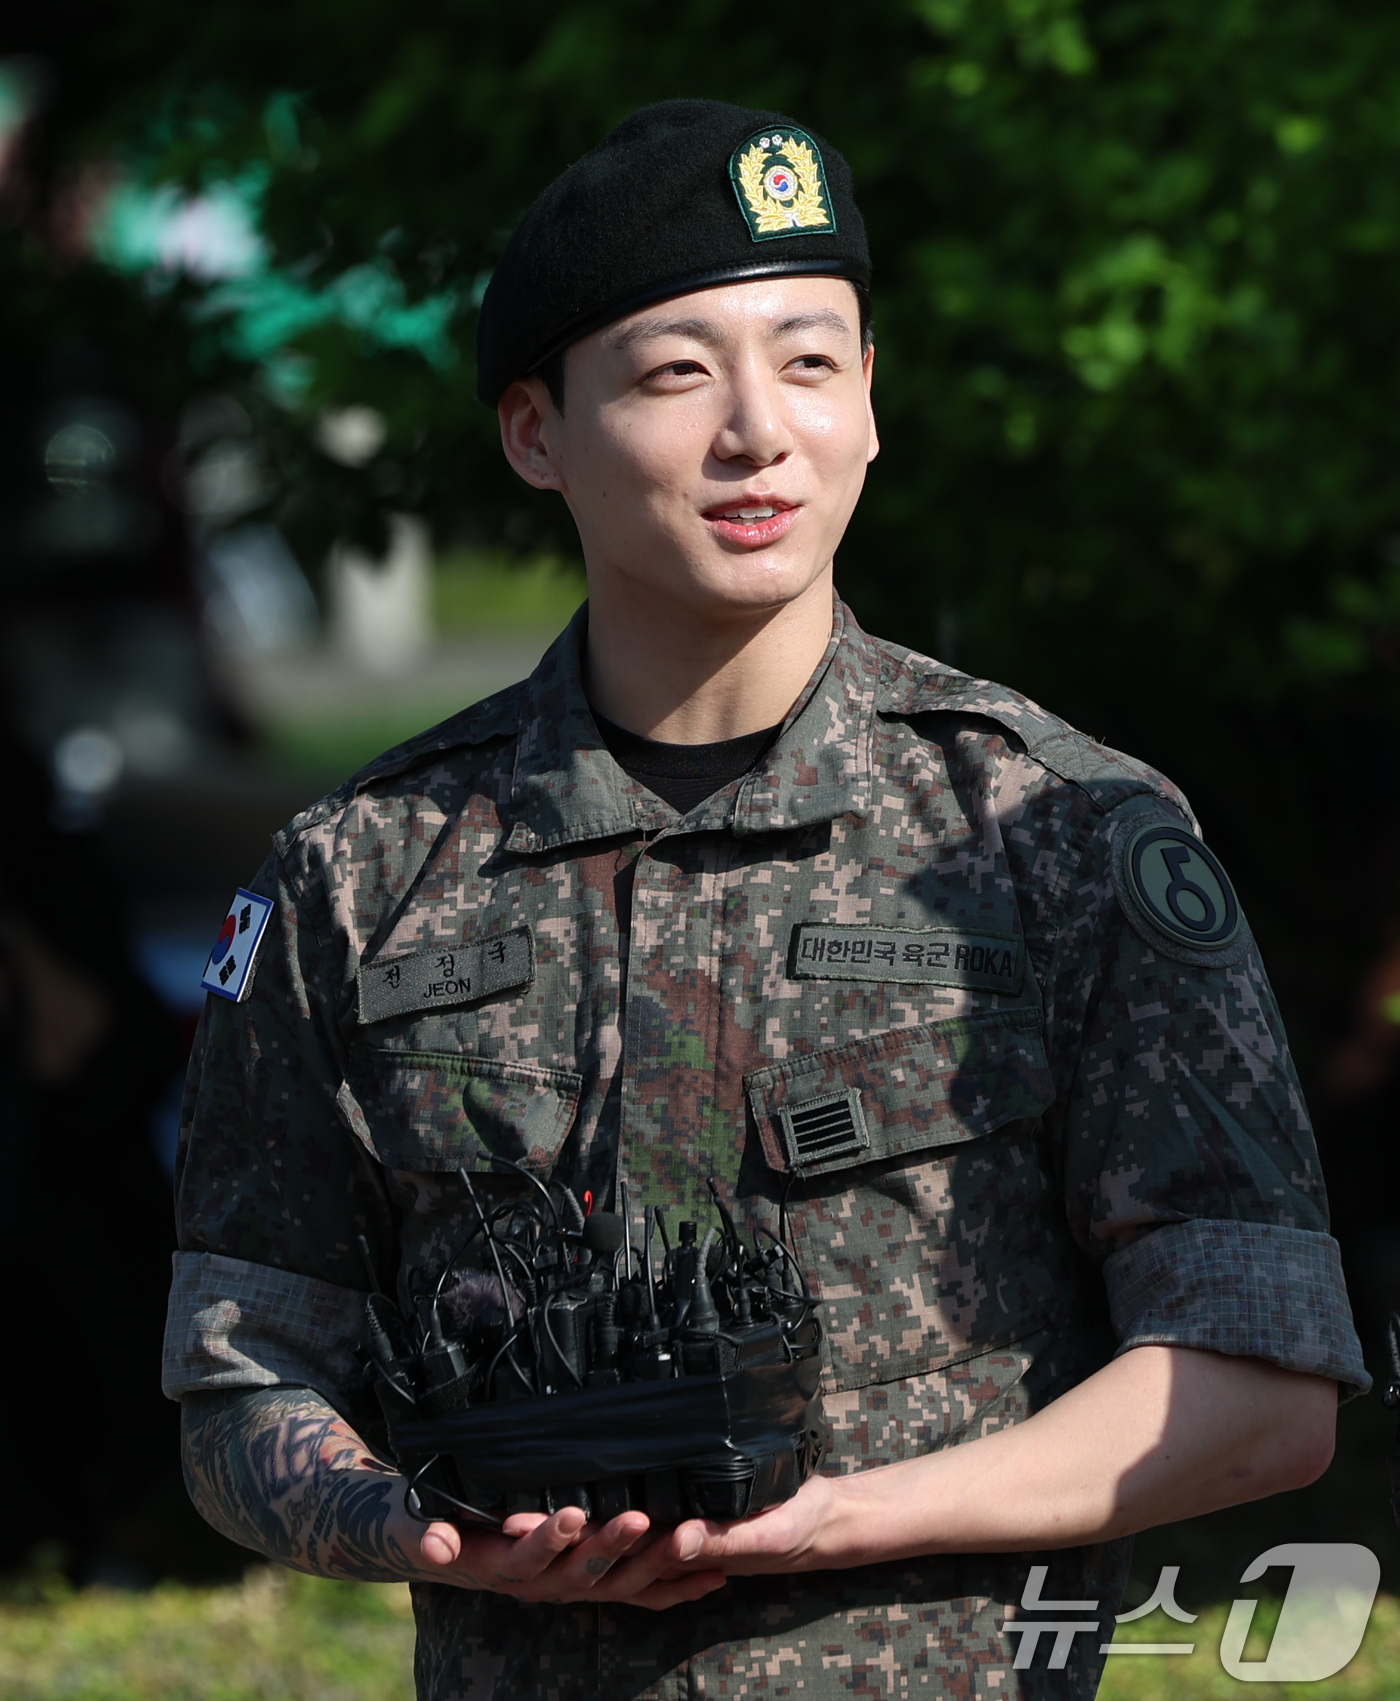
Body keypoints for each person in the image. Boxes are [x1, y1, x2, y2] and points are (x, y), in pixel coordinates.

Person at [165, 100, 1366, 1699]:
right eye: (677, 374)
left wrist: (834, 1521)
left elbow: (1260, 1390)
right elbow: (244, 1383)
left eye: (810, 362)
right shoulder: (361, 874)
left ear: (870, 402)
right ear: (535, 433)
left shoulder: (1059, 835)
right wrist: (417, 1524)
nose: (758, 433)